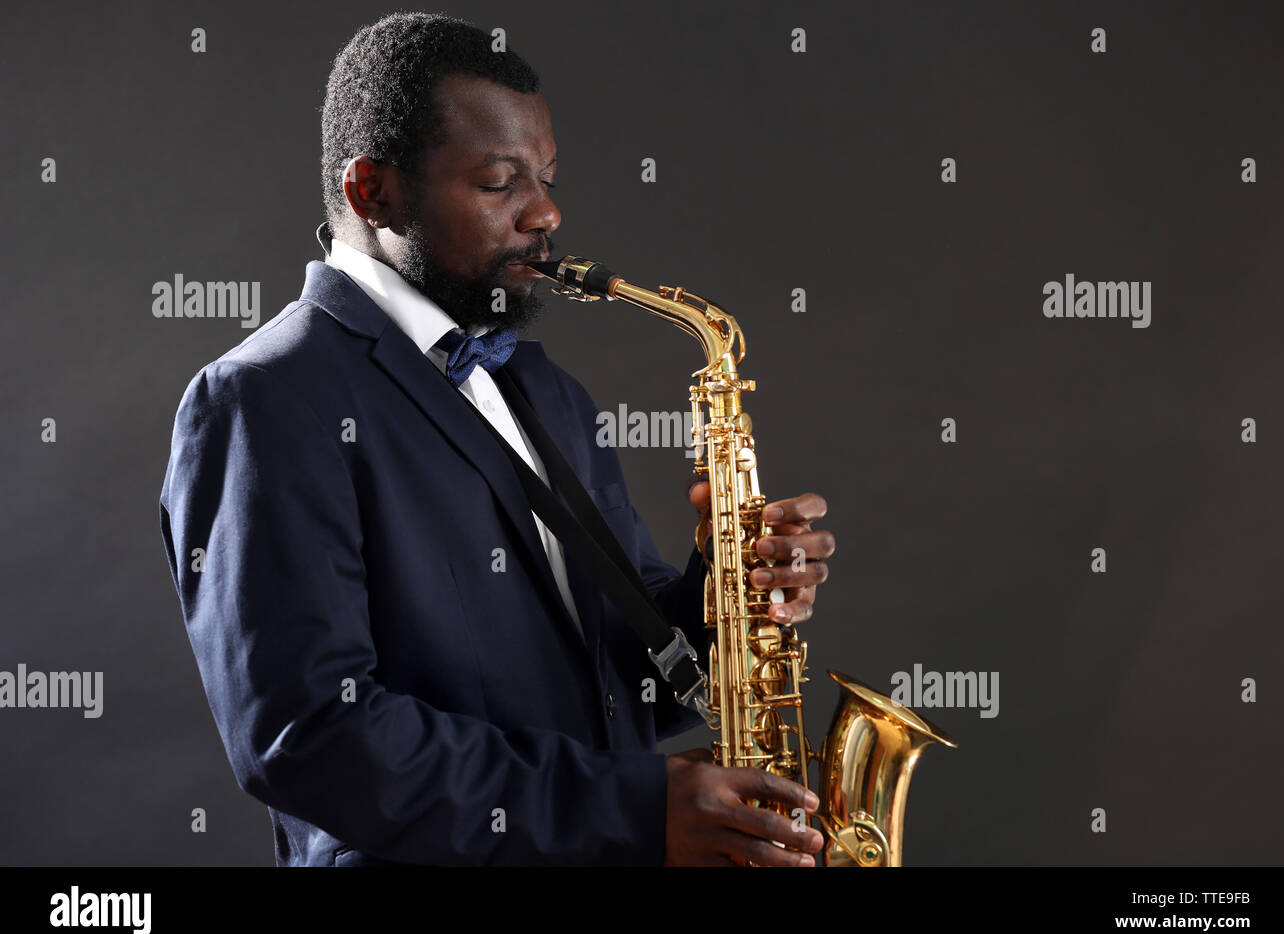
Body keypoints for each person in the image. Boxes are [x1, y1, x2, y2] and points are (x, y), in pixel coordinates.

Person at [159, 12, 835, 866]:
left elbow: (630, 684)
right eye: (499, 182)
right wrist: (627, 812)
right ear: (374, 191)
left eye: (546, 177)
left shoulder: (545, 391)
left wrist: (725, 600)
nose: (546, 212)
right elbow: (308, 737)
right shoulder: (265, 398)